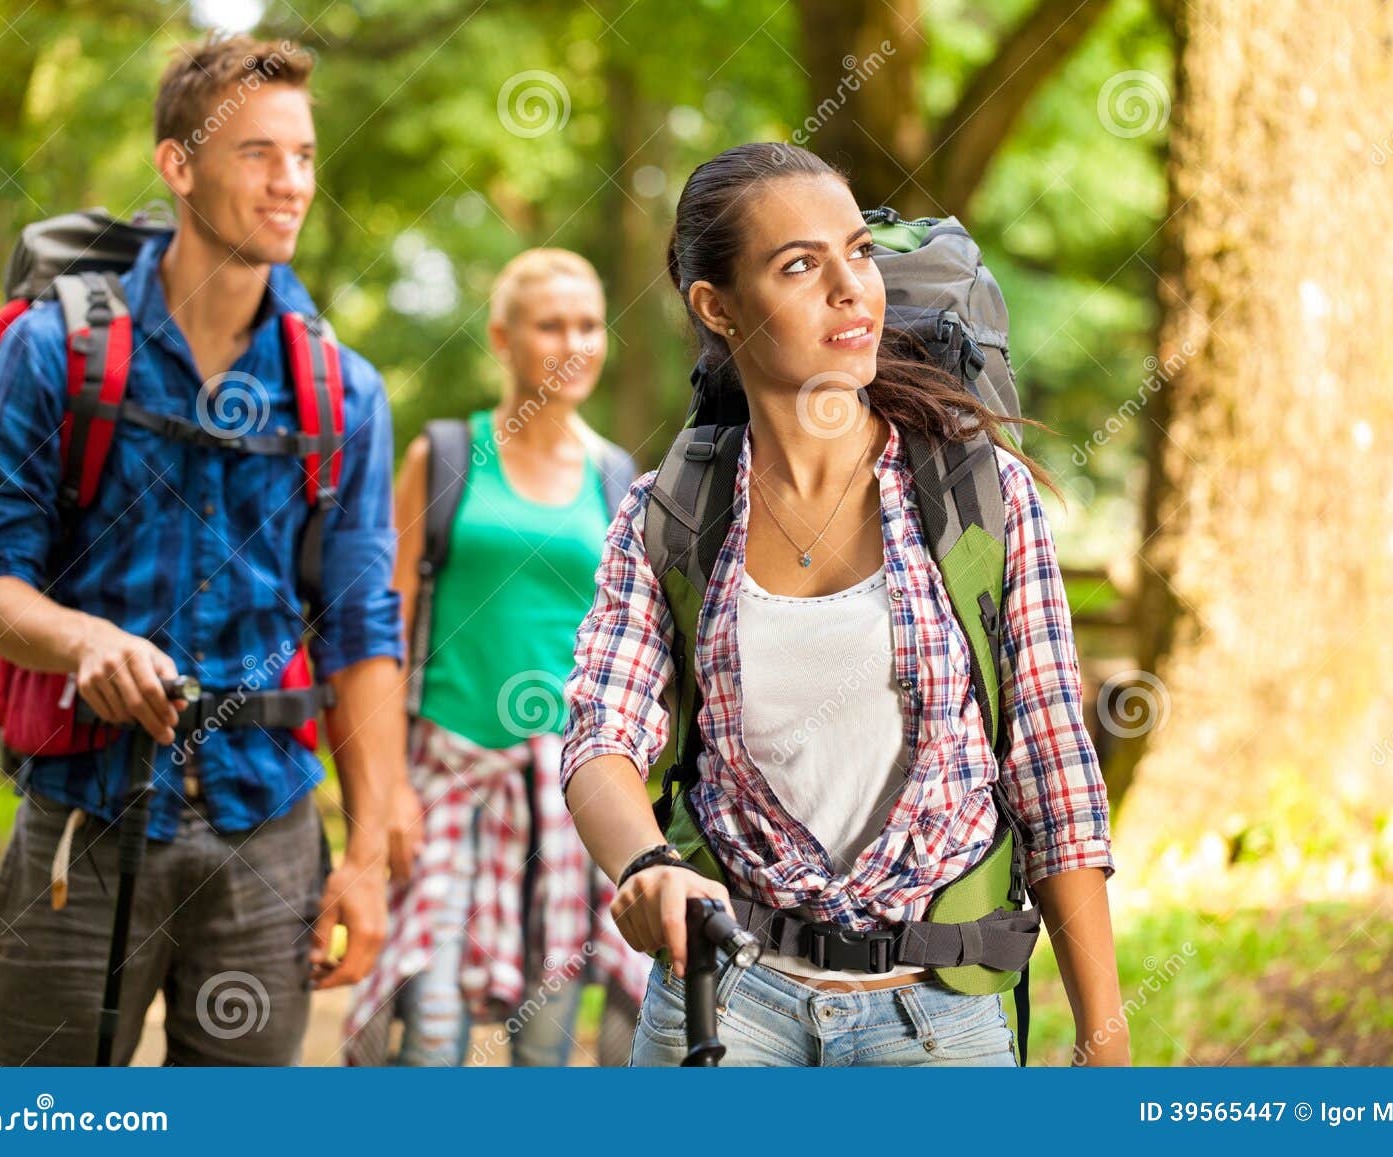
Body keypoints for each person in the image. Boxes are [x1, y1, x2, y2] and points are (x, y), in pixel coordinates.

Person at [560, 142, 1129, 1067]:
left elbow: (1054, 779)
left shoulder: (980, 498)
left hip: (942, 1020)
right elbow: (601, 734)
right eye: (799, 265)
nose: (851, 288)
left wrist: (1105, 1037)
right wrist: (647, 864)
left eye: (859, 252)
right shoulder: (673, 512)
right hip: (725, 1005)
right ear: (717, 305)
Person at [0, 35, 413, 1066]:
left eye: (301, 154)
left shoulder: (343, 391)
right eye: (256, 153)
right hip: (83, 823)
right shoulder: (53, 350)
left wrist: (371, 856)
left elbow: (361, 630)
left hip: (269, 834)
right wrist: (82, 642)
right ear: (178, 164)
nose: (289, 181)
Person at [341, 249, 650, 1067]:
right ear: (504, 337)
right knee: (434, 1024)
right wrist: (386, 791)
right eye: (551, 325)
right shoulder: (443, 455)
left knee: (543, 1041)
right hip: (445, 773)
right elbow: (384, 622)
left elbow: (632, 653)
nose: (575, 342)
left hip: (564, 798)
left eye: (589, 324)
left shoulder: (617, 478)